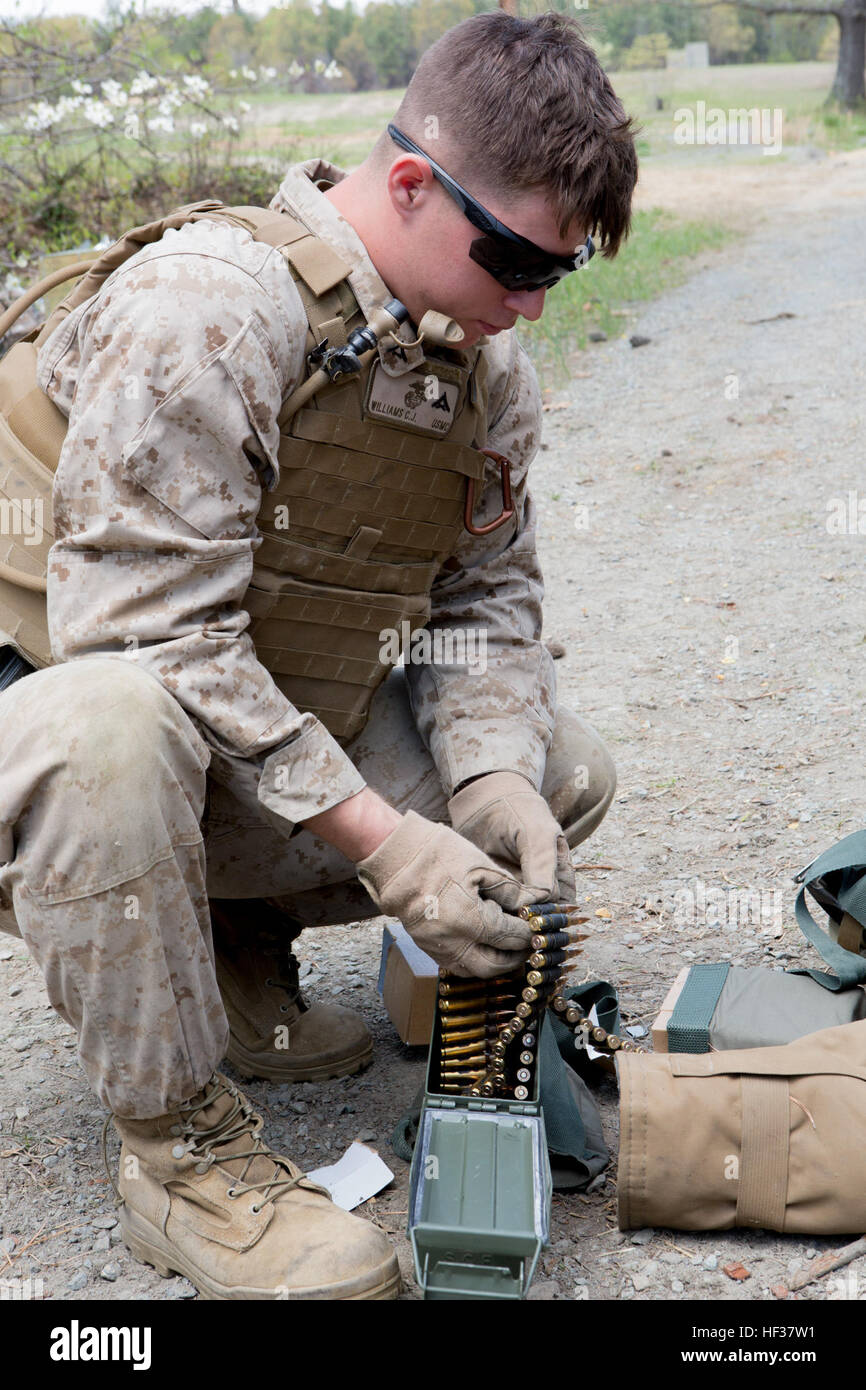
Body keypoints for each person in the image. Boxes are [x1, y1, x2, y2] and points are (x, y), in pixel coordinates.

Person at [0, 10, 637, 1299]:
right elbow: (148, 637)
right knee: (110, 724)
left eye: (554, 274)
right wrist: (394, 851)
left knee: (556, 770)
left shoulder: (483, 366)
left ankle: (232, 971)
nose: (525, 299)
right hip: (50, 746)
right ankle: (178, 1157)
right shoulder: (210, 305)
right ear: (410, 183)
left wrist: (489, 782)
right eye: (512, 256)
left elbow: (489, 595)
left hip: (223, 742)